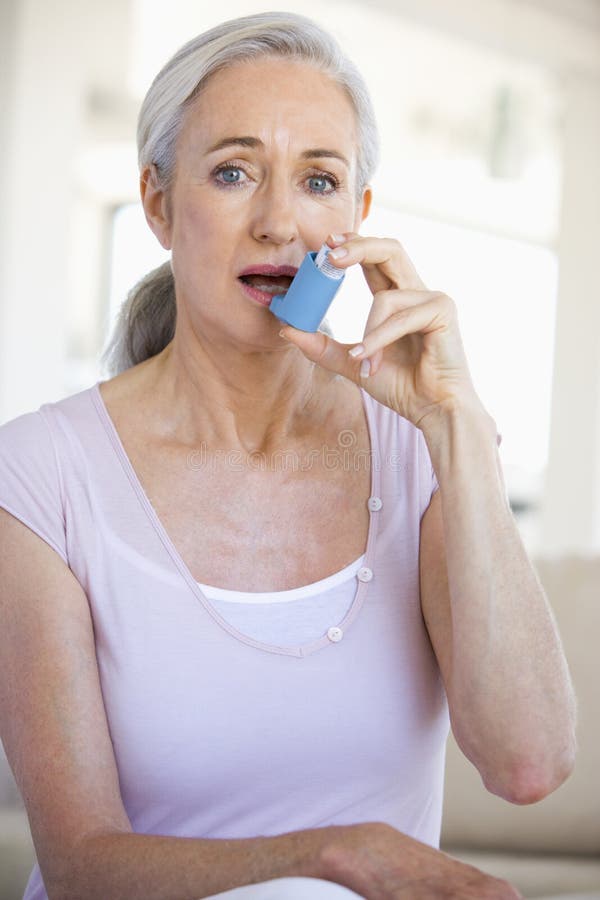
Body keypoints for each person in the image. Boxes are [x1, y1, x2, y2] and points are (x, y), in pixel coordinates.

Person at [0, 11, 576, 900]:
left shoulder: (423, 448)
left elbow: (529, 763)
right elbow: (80, 866)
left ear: (359, 217)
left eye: (319, 180)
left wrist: (457, 433)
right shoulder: (42, 472)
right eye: (233, 172)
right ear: (157, 201)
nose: (279, 222)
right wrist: (334, 857)